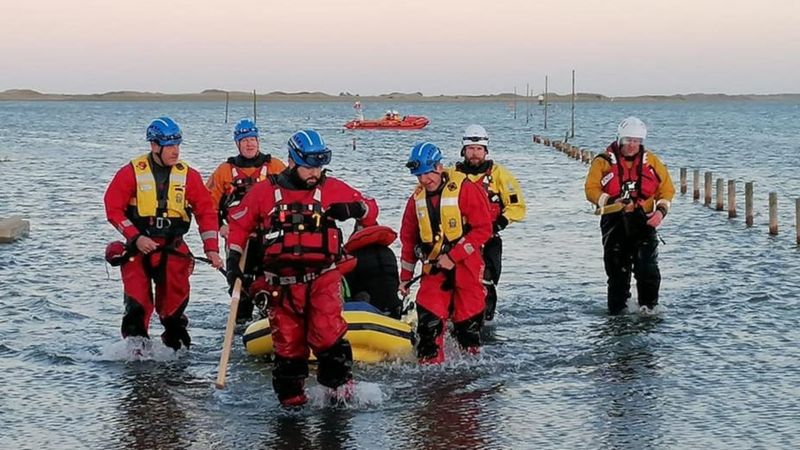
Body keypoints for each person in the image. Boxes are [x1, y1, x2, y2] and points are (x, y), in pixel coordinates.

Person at [225, 129, 379, 407]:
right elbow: (238, 227)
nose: (315, 172)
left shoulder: (331, 188)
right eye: (309, 166)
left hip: (322, 277)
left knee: (328, 335)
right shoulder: (265, 192)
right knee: (288, 348)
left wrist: (353, 209)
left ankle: (339, 399)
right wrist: (234, 264)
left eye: (319, 166)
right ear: (292, 161)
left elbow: (371, 209)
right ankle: (292, 406)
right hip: (280, 285)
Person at [104, 116, 223, 351]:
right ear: (154, 146)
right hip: (137, 250)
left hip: (173, 249)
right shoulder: (131, 173)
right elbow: (113, 208)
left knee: (174, 310)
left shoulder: (189, 176)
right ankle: (136, 357)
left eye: (177, 144)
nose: (175, 151)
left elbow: (206, 212)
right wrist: (136, 238)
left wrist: (212, 250)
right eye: (169, 145)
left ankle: (177, 354)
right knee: (136, 306)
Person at [399, 142, 492, 364]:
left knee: (468, 330)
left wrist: (454, 256)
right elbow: (408, 240)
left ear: (439, 167)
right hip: (433, 269)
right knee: (428, 326)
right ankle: (430, 376)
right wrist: (405, 280)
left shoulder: (466, 189)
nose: (424, 180)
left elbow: (484, 229)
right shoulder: (416, 200)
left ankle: (470, 379)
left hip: (466, 266)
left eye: (428, 173)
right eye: (419, 175)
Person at [584, 117, 675, 314]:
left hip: (643, 220)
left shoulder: (652, 161)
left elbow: (666, 190)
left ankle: (649, 310)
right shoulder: (603, 162)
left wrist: (660, 212)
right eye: (628, 140)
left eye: (637, 141)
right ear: (620, 139)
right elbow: (591, 190)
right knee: (617, 271)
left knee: (648, 269)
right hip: (614, 221)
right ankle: (617, 314)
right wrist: (610, 201)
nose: (632, 145)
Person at [206, 118, 286, 323]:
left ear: (258, 141)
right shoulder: (224, 171)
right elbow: (208, 206)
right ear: (237, 143)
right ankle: (240, 323)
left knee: (271, 286)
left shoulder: (276, 167)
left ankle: (270, 322)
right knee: (239, 287)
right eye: (245, 140)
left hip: (269, 238)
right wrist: (220, 226)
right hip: (237, 239)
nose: (250, 144)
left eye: (253, 139)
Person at [454, 124, 526, 321]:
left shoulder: (500, 175)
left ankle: (485, 322)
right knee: (458, 282)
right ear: (464, 150)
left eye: (479, 149)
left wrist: (500, 223)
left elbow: (517, 206)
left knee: (486, 280)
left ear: (485, 151)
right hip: (460, 240)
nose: (475, 154)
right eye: (471, 149)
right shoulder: (453, 176)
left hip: (490, 238)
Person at [342, 224, 403, 318]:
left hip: (371, 308)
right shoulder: (389, 252)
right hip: (394, 304)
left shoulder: (354, 257)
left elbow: (349, 287)